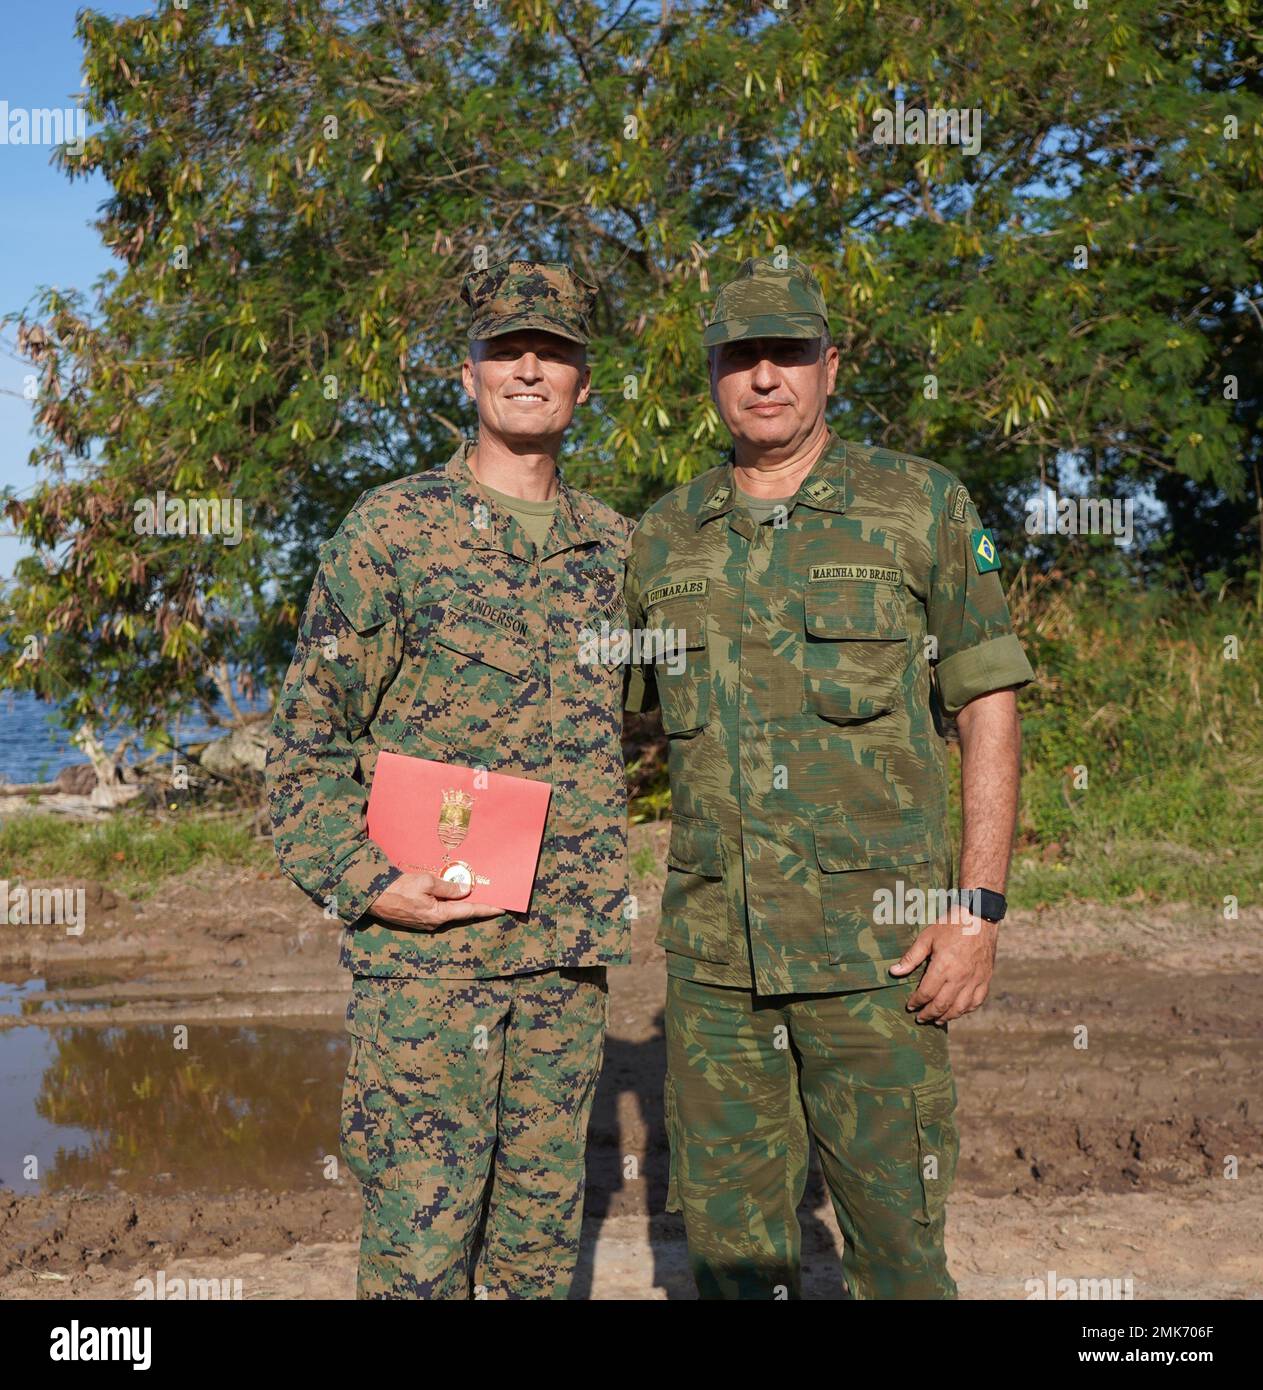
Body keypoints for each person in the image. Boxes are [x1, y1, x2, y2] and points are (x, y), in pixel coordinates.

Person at [625, 254, 1036, 1299]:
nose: (766, 377)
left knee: (900, 1261)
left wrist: (977, 909)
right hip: (717, 970)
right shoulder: (663, 537)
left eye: (789, 354)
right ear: (711, 374)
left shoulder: (920, 505)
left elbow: (987, 702)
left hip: (880, 959)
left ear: (831, 367)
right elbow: (607, 723)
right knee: (729, 1268)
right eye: (741, 356)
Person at [267, 259, 632, 1299]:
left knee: (535, 1264)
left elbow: (675, 722)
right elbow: (302, 754)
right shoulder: (389, 532)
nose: (528, 366)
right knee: (418, 1261)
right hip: (428, 972)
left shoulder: (619, 552)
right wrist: (368, 882)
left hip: (564, 966)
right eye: (505, 348)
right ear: (464, 375)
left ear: (582, 383)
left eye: (553, 350)